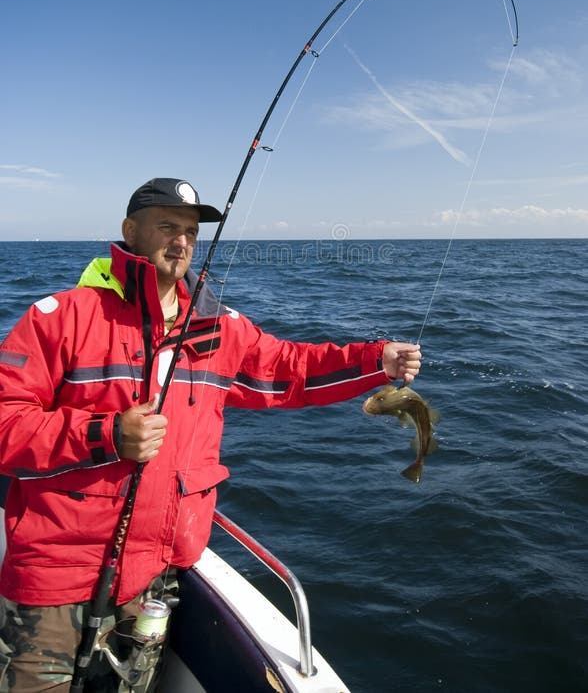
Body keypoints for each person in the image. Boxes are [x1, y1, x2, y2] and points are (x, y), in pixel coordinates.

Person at [0, 177, 421, 691]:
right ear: (130, 231)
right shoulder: (61, 318)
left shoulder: (218, 328)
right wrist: (104, 434)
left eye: (190, 233)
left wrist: (374, 360)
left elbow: (291, 371)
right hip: (56, 580)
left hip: (156, 581)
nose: (181, 241)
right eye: (167, 227)